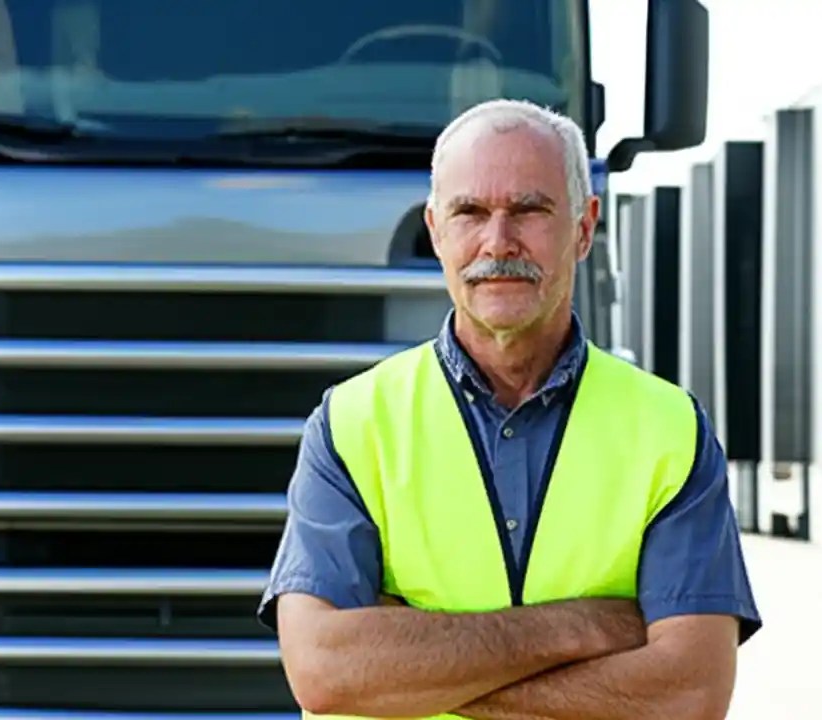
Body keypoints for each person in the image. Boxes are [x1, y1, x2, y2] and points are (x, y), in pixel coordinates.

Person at [257, 98, 762, 720]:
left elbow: (688, 693)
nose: (498, 241)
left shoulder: (670, 431)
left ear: (584, 227)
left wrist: (416, 664)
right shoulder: (351, 425)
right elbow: (325, 671)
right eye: (470, 212)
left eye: (529, 210)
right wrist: (577, 629)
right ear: (437, 231)